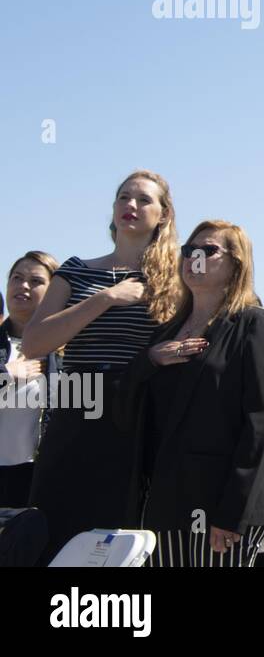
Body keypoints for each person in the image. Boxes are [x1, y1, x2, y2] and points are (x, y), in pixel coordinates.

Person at [22, 170, 181, 562]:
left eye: (144, 199)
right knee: (53, 526)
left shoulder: (175, 280)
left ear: (162, 214)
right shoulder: (75, 270)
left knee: (120, 534)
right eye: (123, 197)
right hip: (77, 410)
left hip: (137, 414)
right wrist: (106, 298)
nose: (131, 205)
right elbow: (34, 343)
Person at [115, 220, 264, 566]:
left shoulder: (256, 324)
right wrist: (151, 360)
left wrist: (233, 511)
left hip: (220, 507)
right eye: (188, 250)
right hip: (162, 502)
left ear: (236, 262)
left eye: (208, 250)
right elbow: (126, 403)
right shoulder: (165, 332)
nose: (195, 257)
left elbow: (260, 424)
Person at [0, 252, 60, 507]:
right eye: (17, 278)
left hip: (40, 476)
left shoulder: (69, 350)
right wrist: (6, 373)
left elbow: (91, 410)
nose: (23, 286)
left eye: (35, 281)